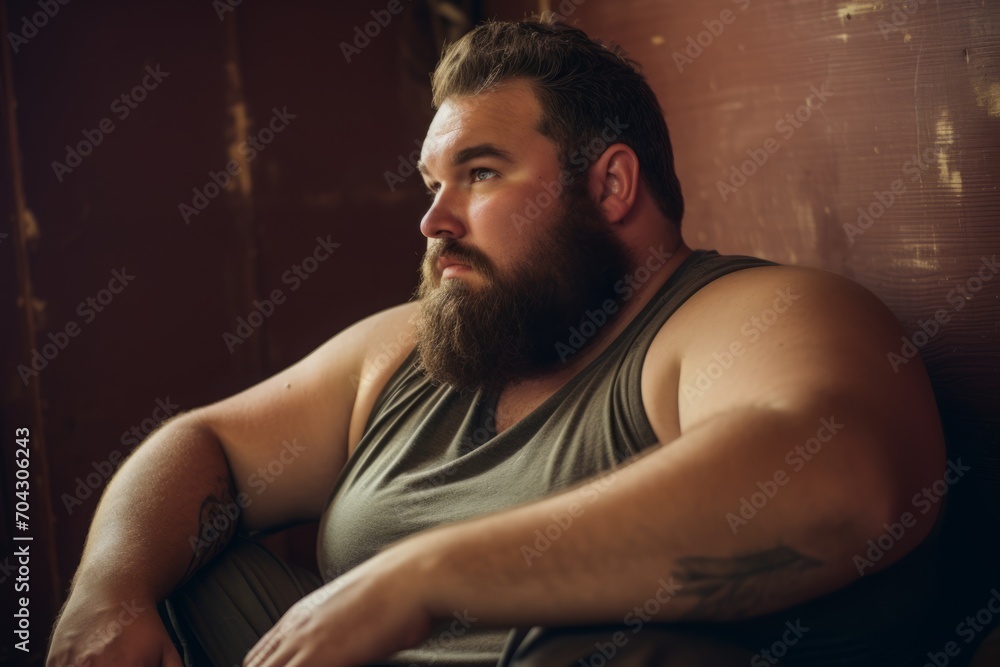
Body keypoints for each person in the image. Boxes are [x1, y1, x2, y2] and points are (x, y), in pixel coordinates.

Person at [46, 16, 947, 667]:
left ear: (612, 185)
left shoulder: (741, 313)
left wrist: (427, 576)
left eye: (479, 173)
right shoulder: (410, 348)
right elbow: (203, 444)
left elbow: (842, 480)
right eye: (431, 183)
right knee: (174, 581)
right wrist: (105, 594)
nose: (434, 219)